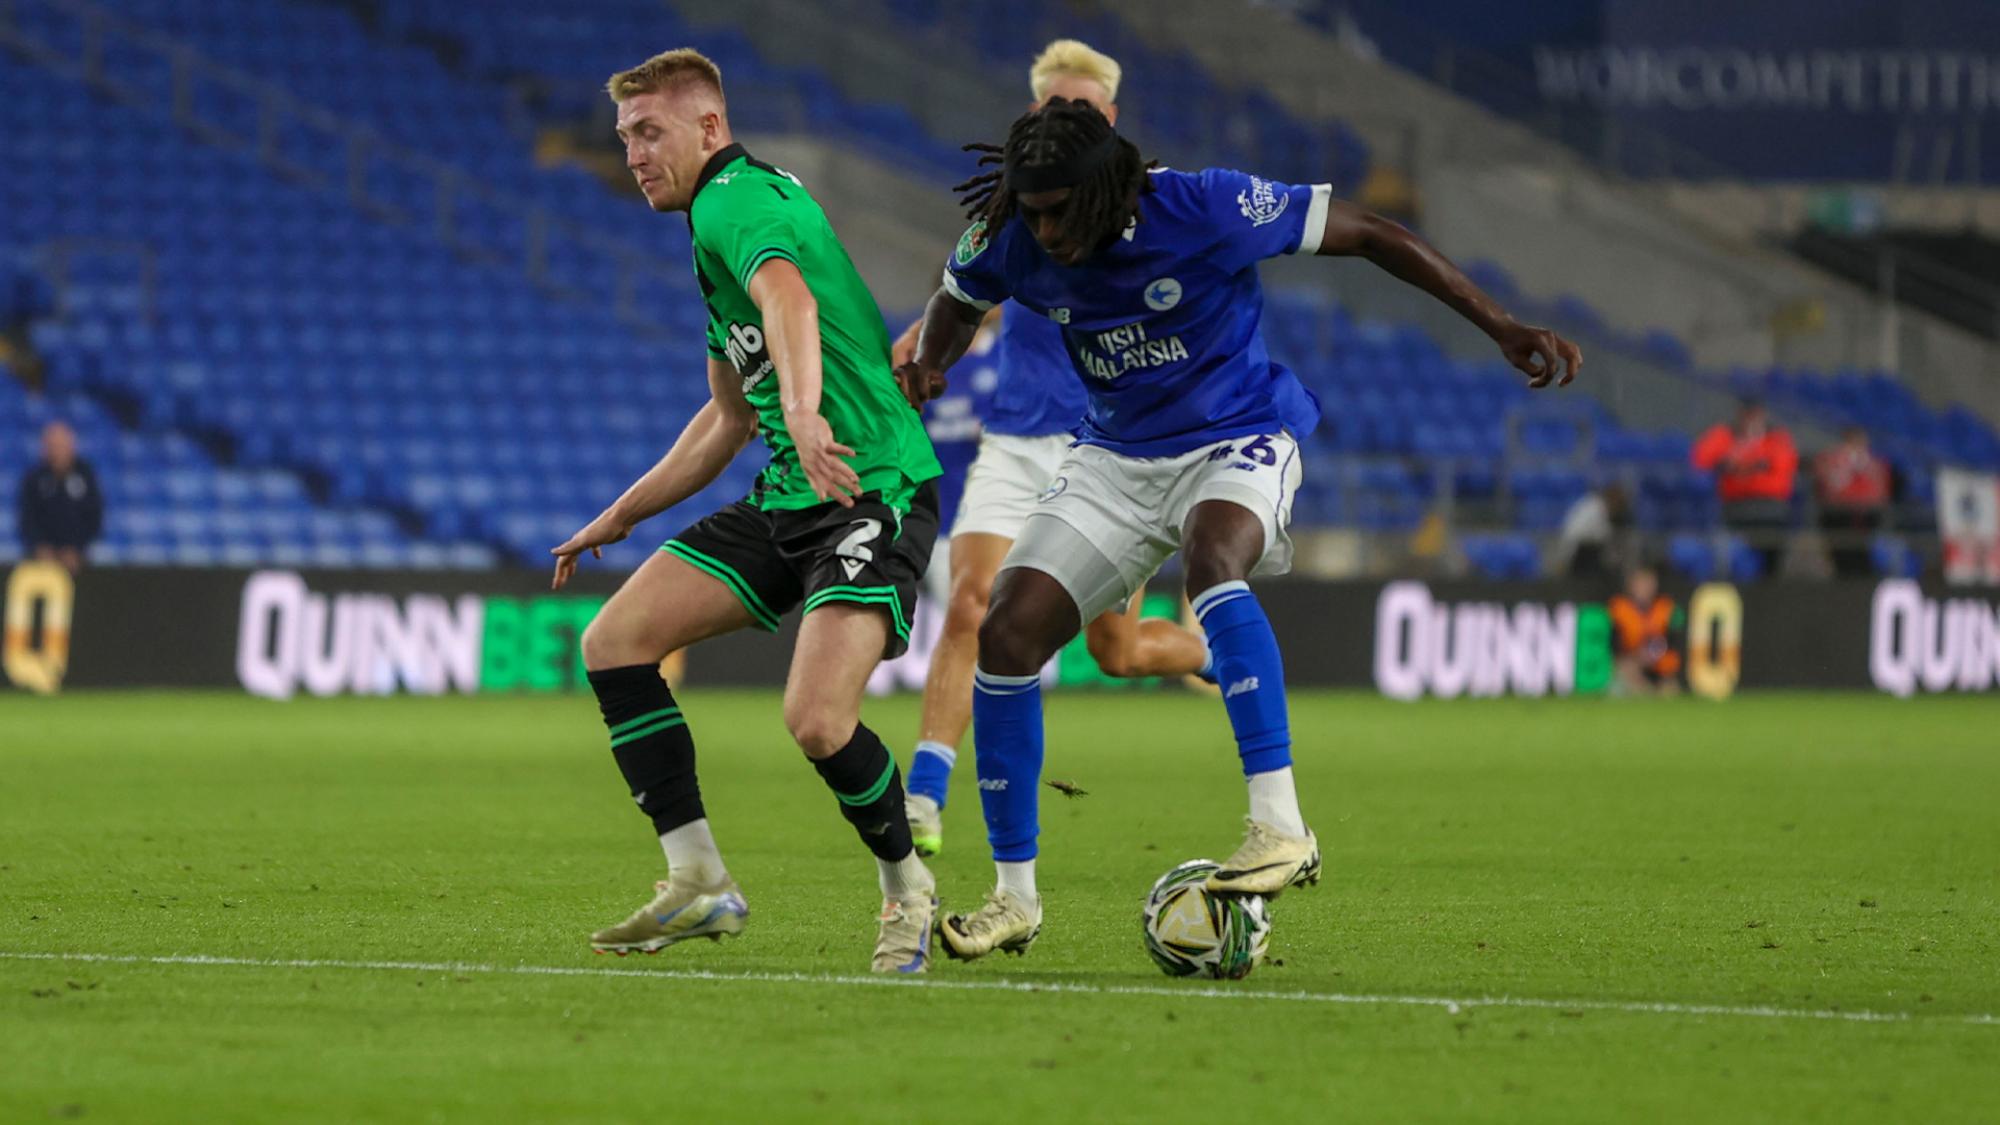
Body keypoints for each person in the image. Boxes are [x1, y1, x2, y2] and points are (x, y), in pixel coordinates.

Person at [896, 99, 1581, 959]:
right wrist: (931, 361)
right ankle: (1015, 898)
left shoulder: (1206, 207)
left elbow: (1370, 232)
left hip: (1237, 435)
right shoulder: (1013, 235)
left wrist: (1502, 325)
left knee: (1213, 561)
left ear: (1107, 187)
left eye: (1059, 209)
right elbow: (957, 299)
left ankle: (1280, 827)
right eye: (1031, 211)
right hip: (1112, 457)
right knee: (1005, 633)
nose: (1046, 228)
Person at [550, 50, 944, 973]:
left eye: (649, 132)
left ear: (709, 129)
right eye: (625, 137)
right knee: (613, 643)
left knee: (816, 719)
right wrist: (622, 513)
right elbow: (728, 415)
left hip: (868, 482)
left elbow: (790, 299)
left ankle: (907, 893)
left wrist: (805, 414)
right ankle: (697, 881)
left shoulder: (735, 200)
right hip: (790, 491)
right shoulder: (707, 232)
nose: (634, 154)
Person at [887, 39, 1212, 860]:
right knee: (971, 603)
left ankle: (1214, 648)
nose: (1067, 121)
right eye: (1052, 110)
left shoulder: (1153, 211)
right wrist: (913, 350)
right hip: (1019, 438)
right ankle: (924, 794)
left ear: (1110, 119)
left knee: (1118, 649)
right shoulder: (1017, 210)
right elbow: (971, 302)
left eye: (1084, 111)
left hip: (1108, 451)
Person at [1690, 399, 1797, 576]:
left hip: (1771, 510)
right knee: (1728, 557)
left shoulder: (1777, 437)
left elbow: (1781, 472)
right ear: (1741, 415)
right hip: (1736, 509)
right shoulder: (1726, 435)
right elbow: (1700, 459)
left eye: (1756, 414)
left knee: (1771, 562)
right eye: (1748, 414)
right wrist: (1751, 465)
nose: (1752, 419)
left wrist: (1740, 466)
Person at [16, 421, 102, 574]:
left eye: (61, 445)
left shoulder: (86, 476)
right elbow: (26, 517)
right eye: (53, 446)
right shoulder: (35, 479)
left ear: (72, 446)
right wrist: (40, 546)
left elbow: (94, 516)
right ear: (45, 448)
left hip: (78, 560)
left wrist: (76, 548)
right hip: (40, 559)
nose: (57, 451)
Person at [1813, 426, 1890, 577]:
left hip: (1866, 519)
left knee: (1863, 559)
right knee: (1841, 558)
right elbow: (1829, 488)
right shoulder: (1831, 460)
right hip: (1838, 517)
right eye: (1853, 443)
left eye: (1861, 443)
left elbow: (1879, 492)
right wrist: (1847, 468)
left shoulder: (1874, 465)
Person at [1607, 565, 1681, 696]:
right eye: (1640, 584)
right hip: (1632, 662)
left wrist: (1654, 656)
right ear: (1631, 585)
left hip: (1659, 664)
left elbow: (1674, 643)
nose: (1644, 589)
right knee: (1624, 670)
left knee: (1670, 689)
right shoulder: (1619, 609)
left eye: (1648, 584)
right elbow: (1613, 647)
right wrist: (1637, 656)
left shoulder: (1665, 608)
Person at [1554, 481, 1630, 578]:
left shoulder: (1596, 504)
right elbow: (1578, 536)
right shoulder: (1595, 507)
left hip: (1583, 550)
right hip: (1577, 553)